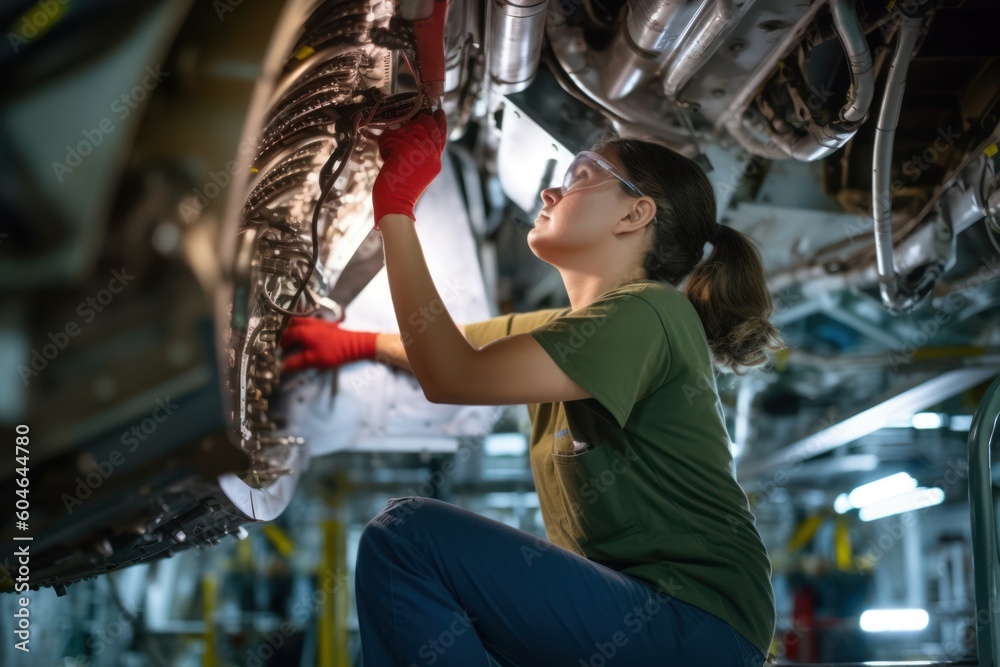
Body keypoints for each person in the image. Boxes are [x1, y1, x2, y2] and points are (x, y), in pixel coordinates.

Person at [280, 108, 784, 666]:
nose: (550, 192)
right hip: (657, 622)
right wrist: (353, 344)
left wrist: (397, 208)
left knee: (406, 539)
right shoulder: (573, 331)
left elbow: (452, 373)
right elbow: (452, 347)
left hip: (697, 622)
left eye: (580, 178)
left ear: (635, 214)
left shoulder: (648, 312)